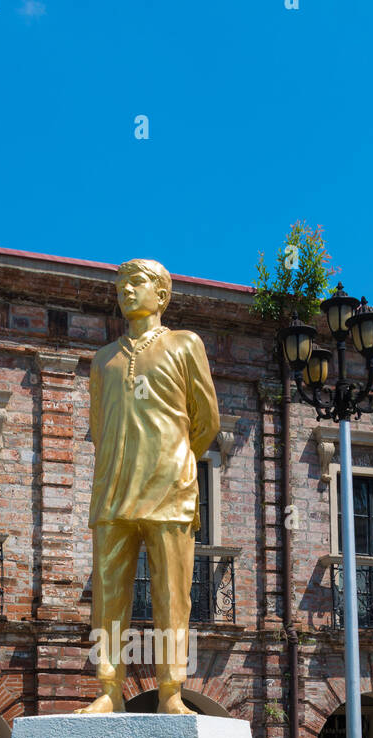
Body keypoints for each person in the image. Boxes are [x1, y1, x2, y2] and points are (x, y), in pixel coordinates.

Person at [76, 258, 220, 714]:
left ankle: (171, 691)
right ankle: (108, 688)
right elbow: (99, 427)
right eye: (120, 285)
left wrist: (175, 459)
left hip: (170, 490)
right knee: (108, 596)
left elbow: (207, 419)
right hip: (114, 491)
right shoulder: (104, 360)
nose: (125, 291)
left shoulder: (184, 344)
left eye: (136, 283)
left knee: (173, 594)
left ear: (161, 295)